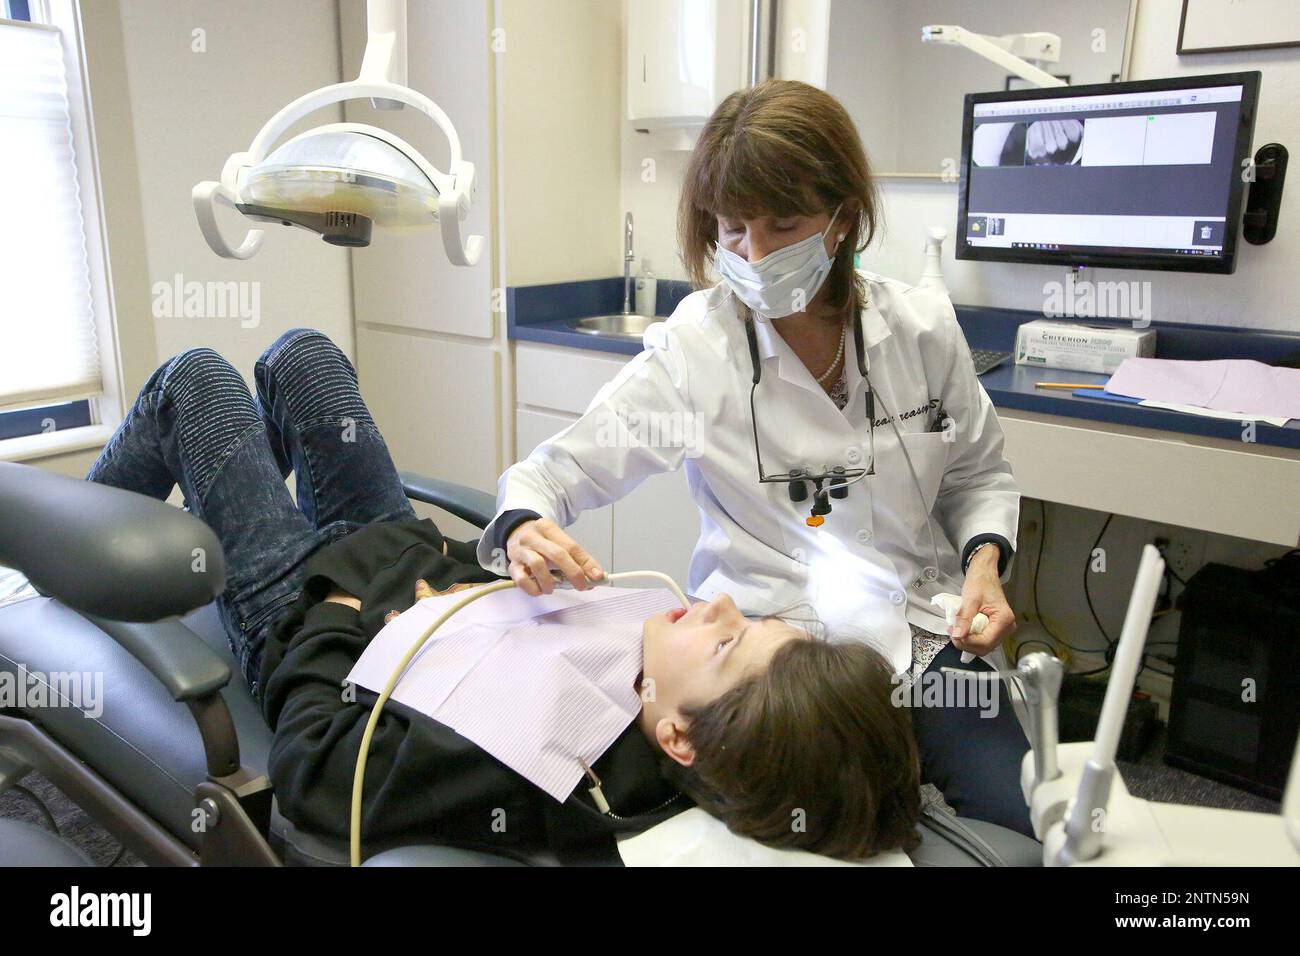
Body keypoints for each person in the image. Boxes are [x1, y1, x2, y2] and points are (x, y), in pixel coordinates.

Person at [85, 328, 922, 863]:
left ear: (679, 740)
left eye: (729, 644)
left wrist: (337, 616)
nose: (721, 606)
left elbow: (313, 772)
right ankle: (235, 500)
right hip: (405, 557)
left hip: (312, 609)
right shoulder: (652, 668)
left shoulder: (539, 760)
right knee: (306, 359)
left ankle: (46, 553)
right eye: (754, 619)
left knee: (194, 384)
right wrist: (511, 557)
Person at [478, 79, 1034, 837]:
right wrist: (525, 522)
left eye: (784, 223)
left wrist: (982, 564)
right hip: (768, 663)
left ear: (843, 218)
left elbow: (979, 474)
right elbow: (556, 472)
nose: (756, 253)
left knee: (1024, 827)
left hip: (927, 641)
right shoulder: (695, 351)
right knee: (815, 837)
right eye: (734, 229)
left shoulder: (921, 331)